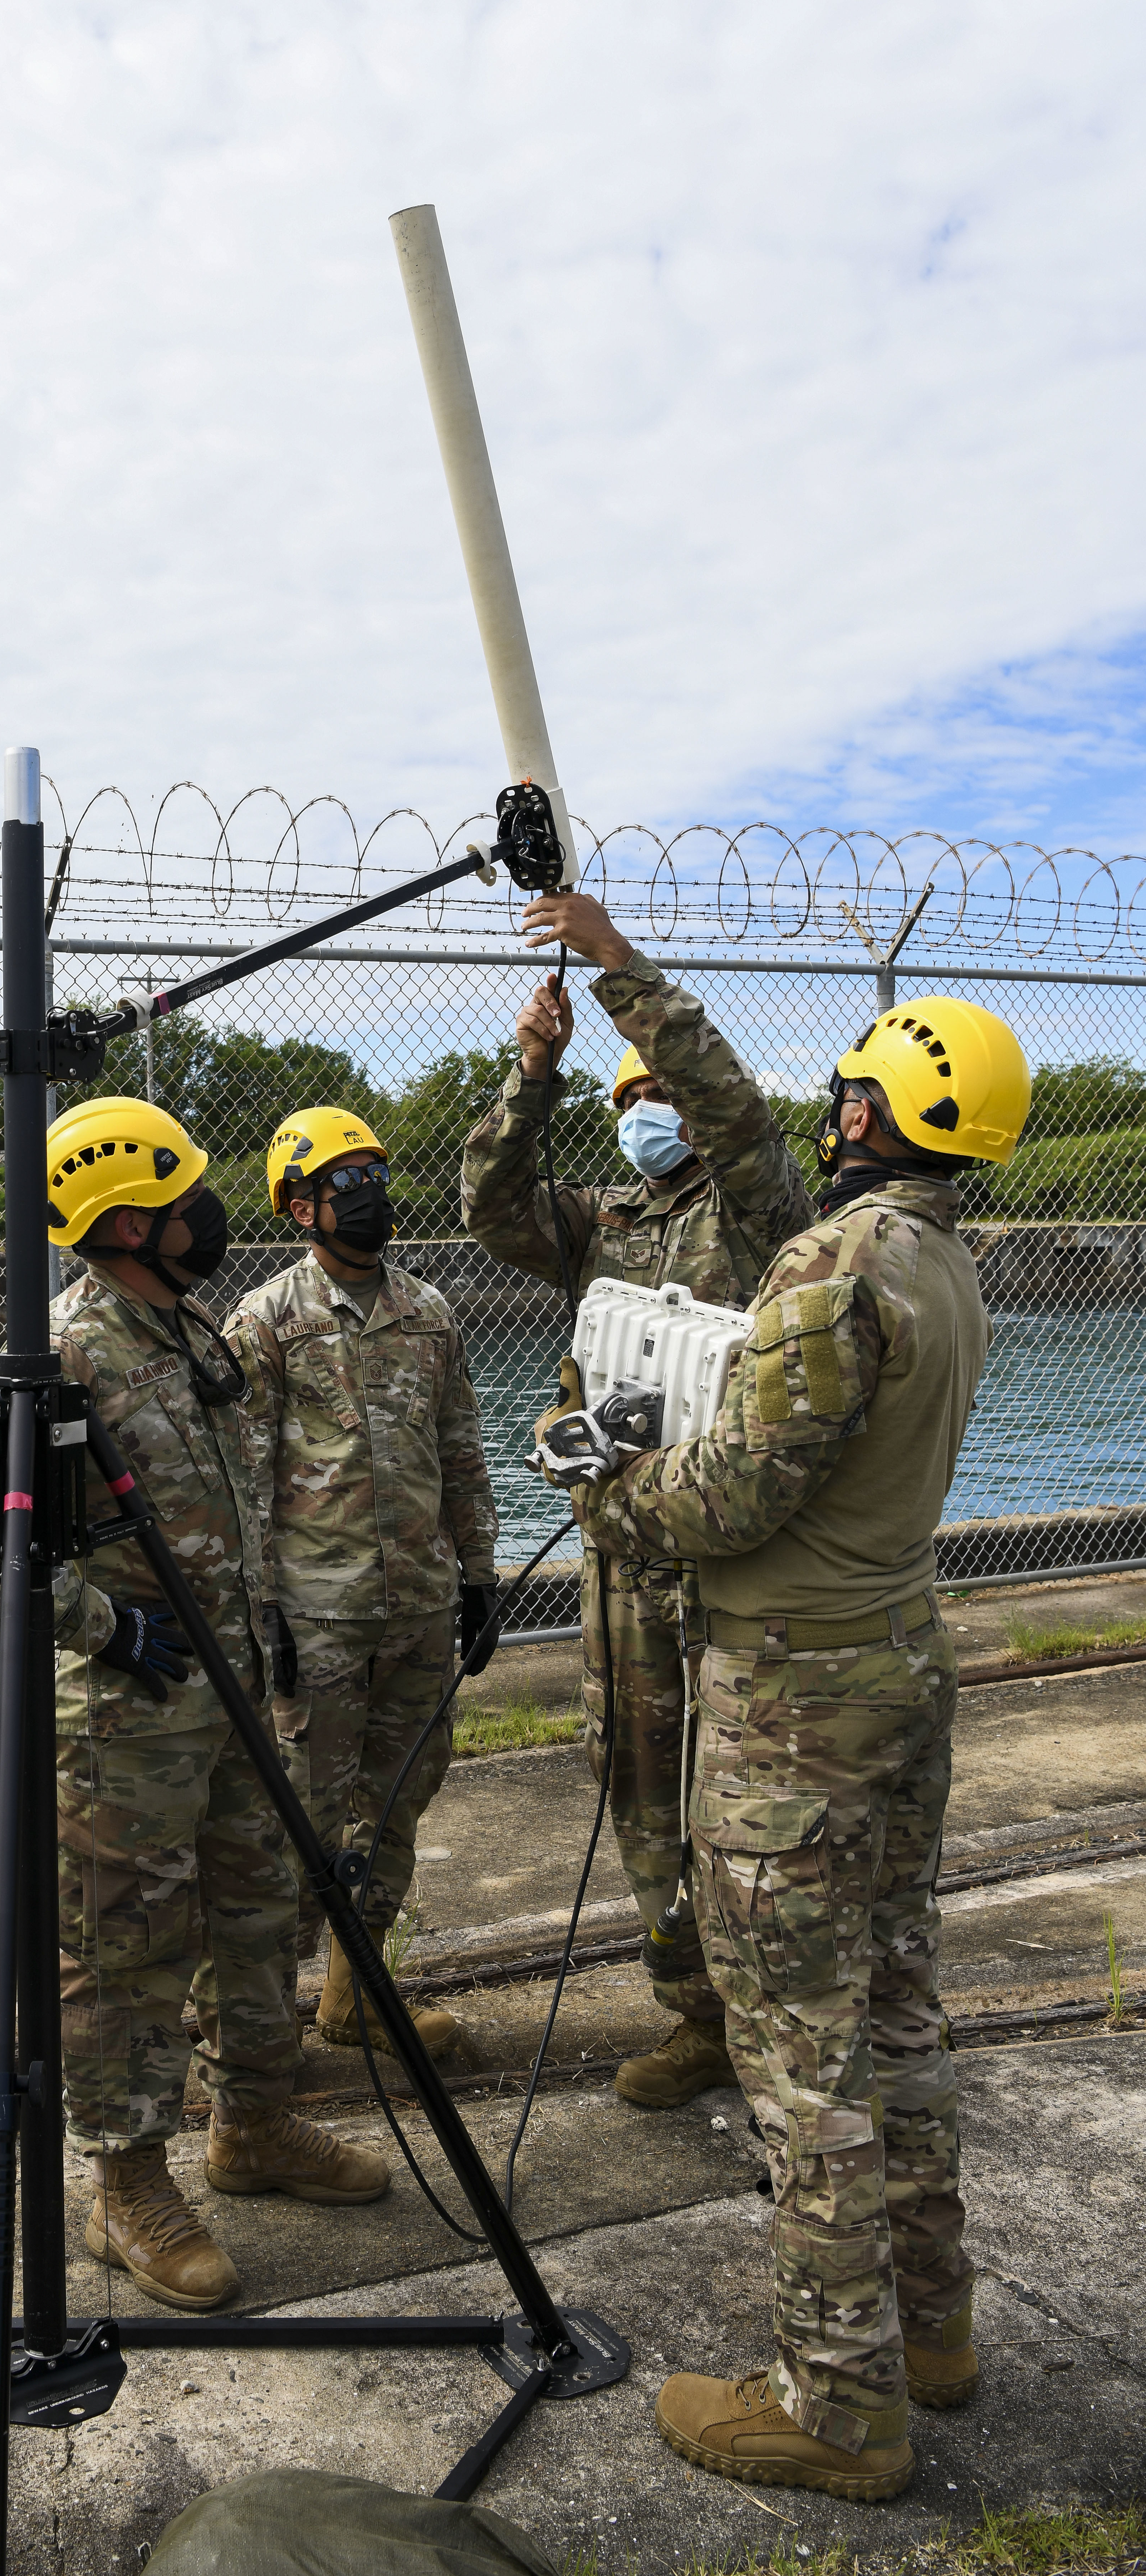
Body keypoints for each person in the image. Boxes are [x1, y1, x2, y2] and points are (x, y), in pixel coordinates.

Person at [560, 996, 1031, 2500]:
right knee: (897, 2009)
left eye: (849, 1098)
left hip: (793, 1705)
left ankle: (837, 2404)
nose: (832, 1117)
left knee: (801, 2056)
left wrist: (604, 1478)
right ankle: (934, 2335)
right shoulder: (949, 1260)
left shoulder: (836, 1263)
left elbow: (725, 1503)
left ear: (876, 1114)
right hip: (899, 1665)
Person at [0, 1093, 389, 2314]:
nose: (210, 1210)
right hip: (128, 1717)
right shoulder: (57, 1354)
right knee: (126, 1953)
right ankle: (128, 2189)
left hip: (237, 1685)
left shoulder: (192, 1325)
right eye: (187, 1194)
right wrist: (100, 1624)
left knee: (259, 1915)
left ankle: (254, 2126)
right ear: (131, 1223)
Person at [462, 885, 812, 2109]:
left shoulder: (763, 1210)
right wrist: (537, 1068)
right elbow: (489, 1206)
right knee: (642, 1783)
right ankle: (694, 2014)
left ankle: (762, 2003)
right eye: (633, 1104)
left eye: (660, 1097)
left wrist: (619, 969)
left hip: (727, 1555)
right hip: (622, 1562)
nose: (651, 1115)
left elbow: (741, 1115)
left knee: (743, 1788)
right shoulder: (594, 1225)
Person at [225, 1107, 501, 2060]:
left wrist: (479, 1573)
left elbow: (462, 1451)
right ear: (301, 1207)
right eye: (345, 1183)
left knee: (394, 1809)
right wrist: (267, 1615)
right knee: (294, 1824)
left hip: (420, 1609)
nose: (367, 1197)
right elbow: (244, 1479)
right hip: (320, 1617)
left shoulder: (430, 1312)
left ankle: (357, 1998)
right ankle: (257, 2044)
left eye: (374, 1177)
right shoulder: (266, 1320)